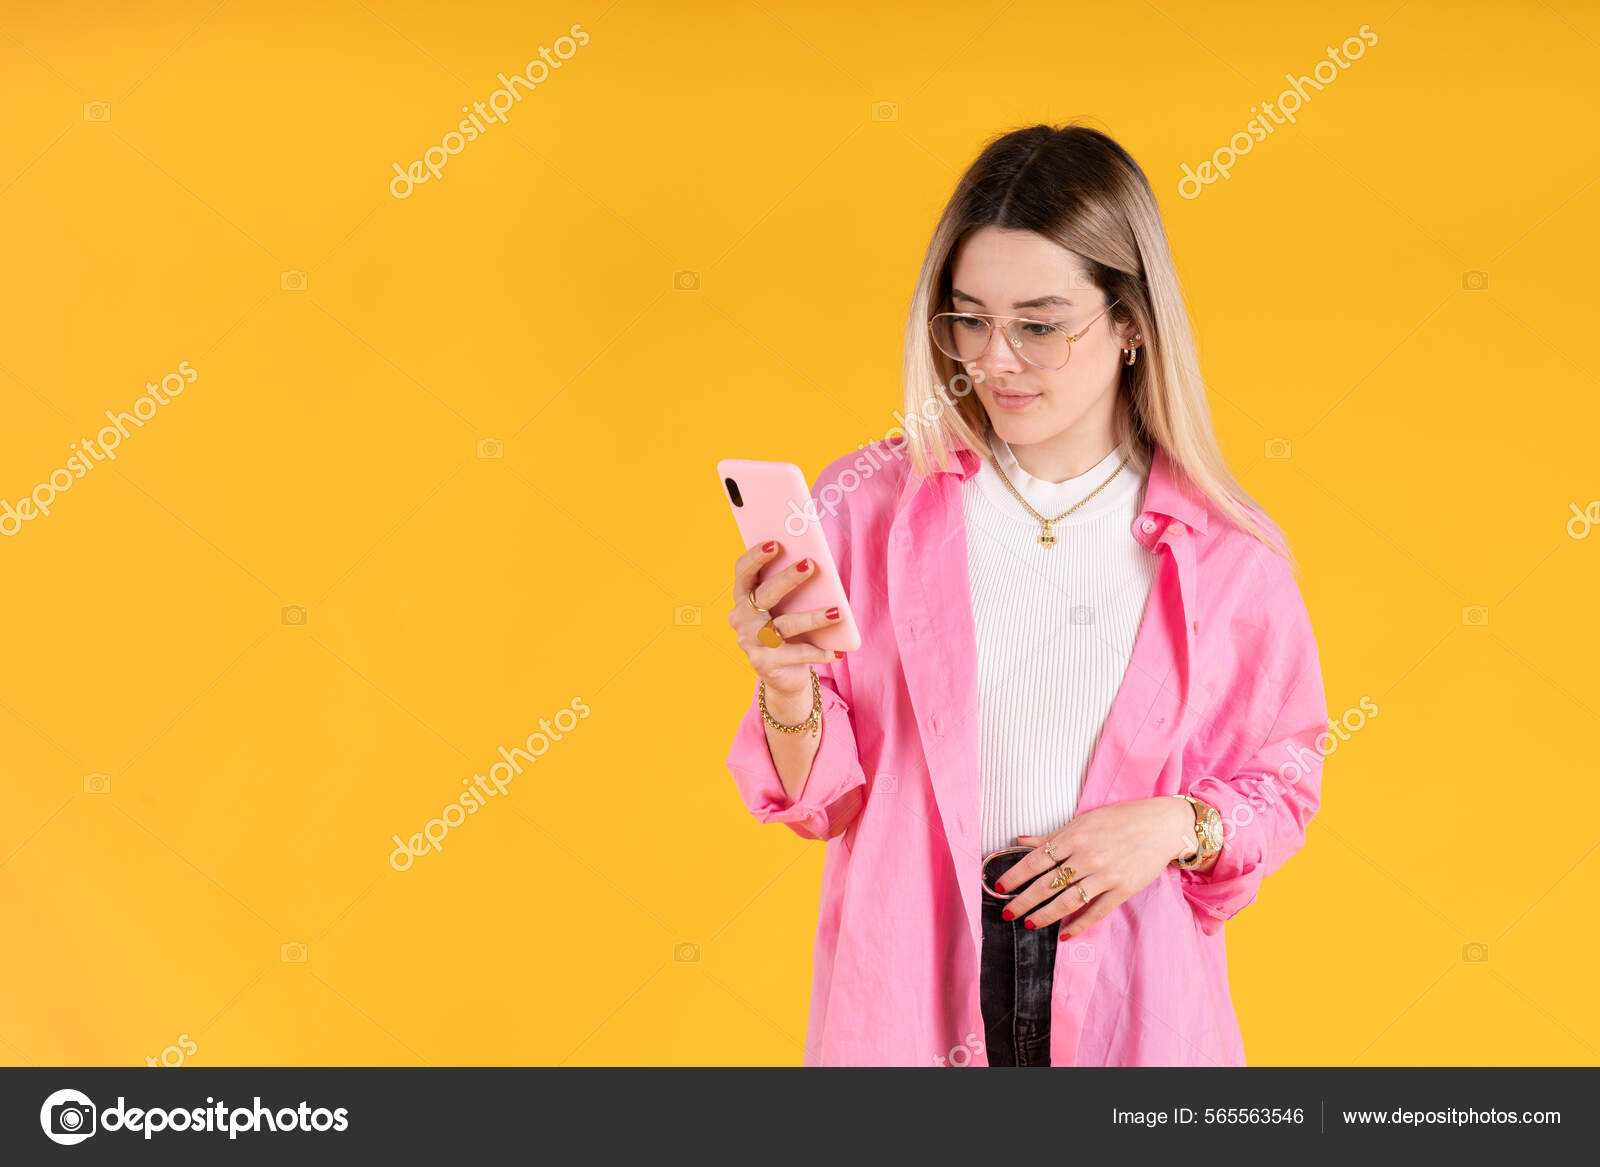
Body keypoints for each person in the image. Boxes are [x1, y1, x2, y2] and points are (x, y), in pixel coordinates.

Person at [723, 123, 1327, 1067]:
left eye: (1040, 325)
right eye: (968, 318)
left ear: (1131, 323)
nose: (994, 359)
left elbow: (1284, 779)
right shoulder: (870, 507)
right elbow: (818, 805)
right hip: (910, 993)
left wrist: (1176, 824)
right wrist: (785, 687)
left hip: (1132, 999)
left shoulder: (1224, 551)